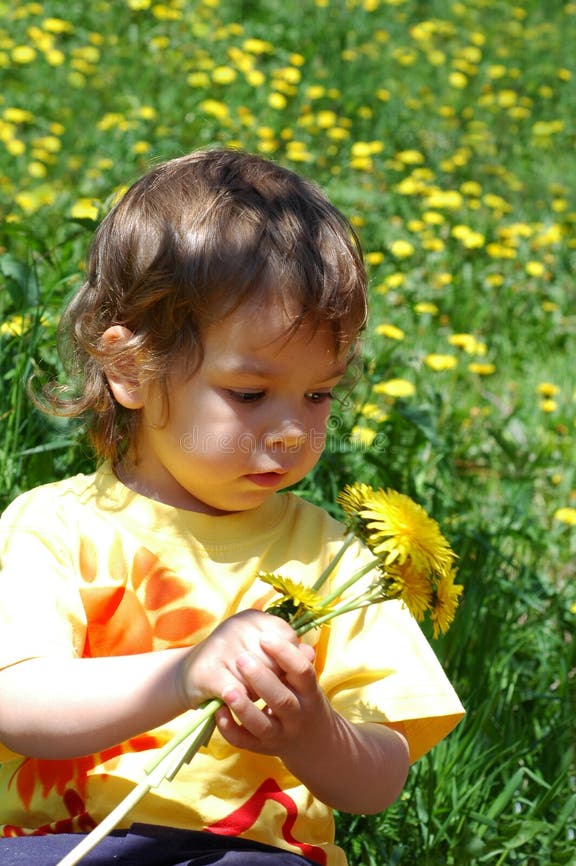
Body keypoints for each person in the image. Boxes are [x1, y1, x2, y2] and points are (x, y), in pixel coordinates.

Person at [0, 149, 464, 866]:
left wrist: (312, 734)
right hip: (64, 847)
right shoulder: (54, 527)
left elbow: (381, 774)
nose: (291, 429)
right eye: (249, 394)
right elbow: (18, 702)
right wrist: (183, 676)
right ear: (131, 368)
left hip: (253, 857)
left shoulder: (331, 557)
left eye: (318, 395)